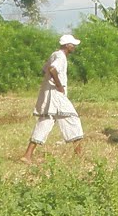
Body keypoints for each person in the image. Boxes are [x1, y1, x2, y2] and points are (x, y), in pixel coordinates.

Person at [21, 33, 84, 163]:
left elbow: (45, 69)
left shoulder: (54, 54)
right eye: (73, 45)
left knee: (45, 122)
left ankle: (27, 155)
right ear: (68, 45)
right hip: (56, 94)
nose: (74, 48)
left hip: (49, 93)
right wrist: (59, 85)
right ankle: (78, 156)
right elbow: (52, 69)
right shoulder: (61, 56)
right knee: (73, 119)